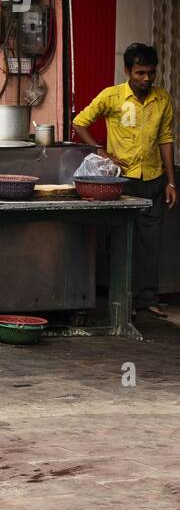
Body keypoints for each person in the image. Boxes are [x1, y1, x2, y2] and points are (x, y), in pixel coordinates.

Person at [73, 42, 176, 319]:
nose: (146, 79)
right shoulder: (112, 96)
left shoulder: (162, 99)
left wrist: (171, 181)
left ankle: (147, 299)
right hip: (122, 181)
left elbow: (166, 139)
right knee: (122, 241)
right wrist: (102, 151)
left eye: (151, 73)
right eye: (140, 73)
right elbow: (80, 122)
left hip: (153, 178)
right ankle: (123, 298)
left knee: (150, 242)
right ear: (127, 70)